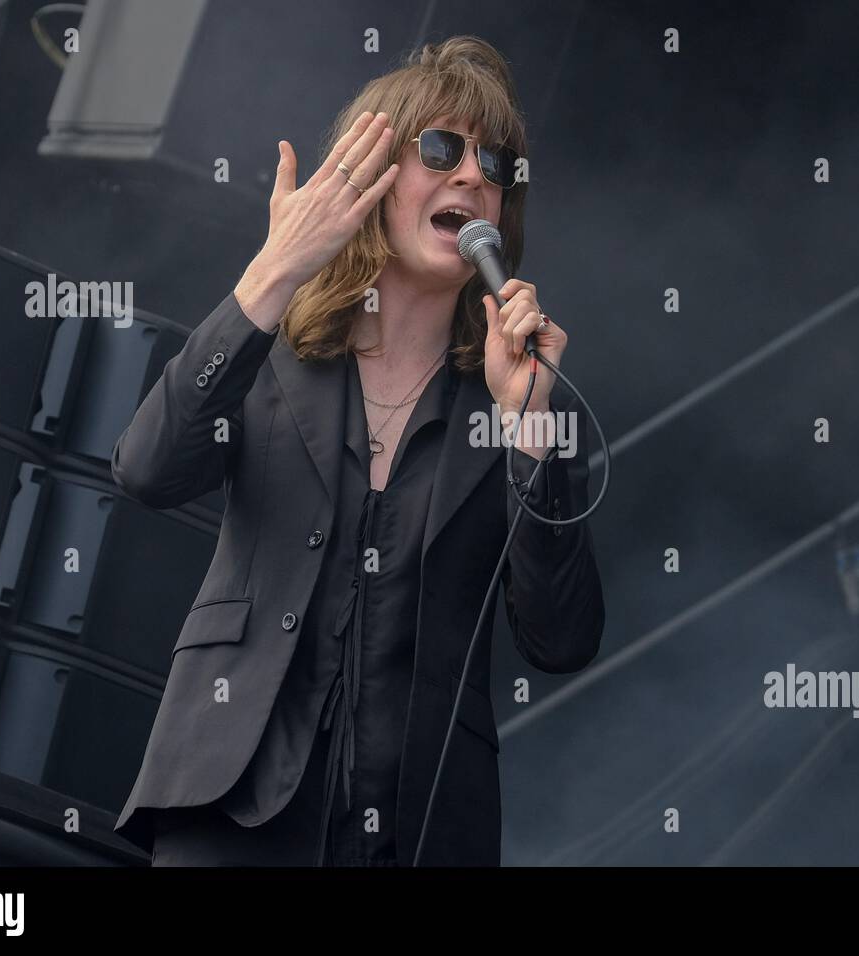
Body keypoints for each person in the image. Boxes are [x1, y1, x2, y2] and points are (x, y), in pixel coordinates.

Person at [110, 35, 605, 866]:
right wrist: (271, 275)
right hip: (226, 805)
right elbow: (146, 471)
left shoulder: (523, 400)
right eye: (442, 149)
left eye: (495, 164)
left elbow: (562, 638)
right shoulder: (266, 354)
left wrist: (528, 431)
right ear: (370, 181)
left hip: (415, 829)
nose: (473, 176)